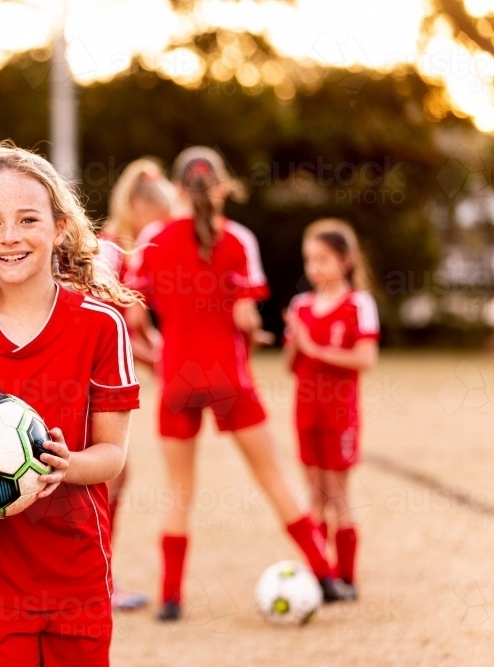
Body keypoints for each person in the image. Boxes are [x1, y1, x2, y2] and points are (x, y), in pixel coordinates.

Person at [0, 142, 140, 667]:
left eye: (27, 219)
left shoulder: (100, 324)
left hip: (77, 569)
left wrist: (68, 465)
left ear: (60, 227)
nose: (9, 236)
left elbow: (112, 455)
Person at [128, 146, 354, 622]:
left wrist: (159, 356)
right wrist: (248, 344)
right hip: (229, 375)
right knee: (273, 477)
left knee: (178, 490)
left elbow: (133, 315)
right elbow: (246, 316)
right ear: (224, 187)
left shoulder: (152, 237)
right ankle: (327, 577)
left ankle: (171, 599)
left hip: (178, 378)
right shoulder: (239, 240)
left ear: (175, 189)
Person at [284, 218, 379, 596]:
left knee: (338, 493)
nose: (314, 268)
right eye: (310, 259)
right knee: (314, 496)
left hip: (340, 413)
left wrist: (314, 347)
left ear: (345, 260)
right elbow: (292, 365)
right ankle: (321, 576)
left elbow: (365, 358)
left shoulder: (359, 303)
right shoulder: (301, 305)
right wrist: (295, 341)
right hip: (305, 410)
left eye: (323, 258)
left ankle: (348, 578)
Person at [97, 158, 174, 611]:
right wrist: (154, 356)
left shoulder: (134, 252)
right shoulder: (109, 251)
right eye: (158, 221)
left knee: (116, 476)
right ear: (139, 209)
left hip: (112, 383)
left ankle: (102, 575)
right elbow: (108, 325)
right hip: (92, 381)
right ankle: (97, 579)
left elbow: (138, 330)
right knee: (107, 475)